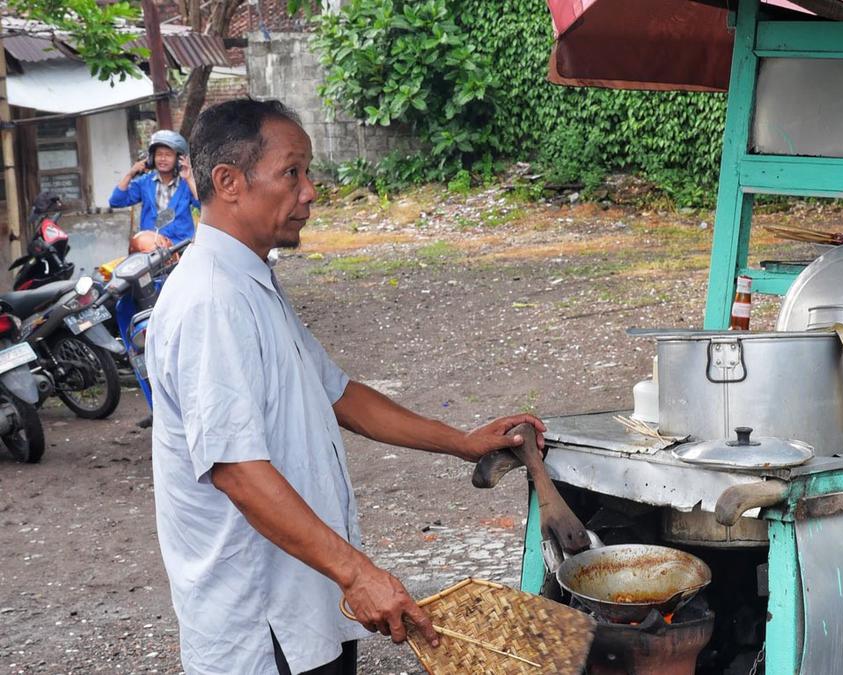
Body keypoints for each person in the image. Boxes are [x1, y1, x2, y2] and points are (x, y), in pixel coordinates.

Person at [145, 98, 546, 674]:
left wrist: (462, 441)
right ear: (228, 182)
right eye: (292, 172)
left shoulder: (251, 279)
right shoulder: (212, 299)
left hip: (304, 599)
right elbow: (236, 469)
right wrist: (358, 573)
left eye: (306, 173)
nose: (309, 191)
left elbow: (340, 395)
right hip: (262, 622)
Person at [110, 129, 200, 244]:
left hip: (181, 248)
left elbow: (203, 206)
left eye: (168, 155)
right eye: (159, 155)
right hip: (151, 250)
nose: (163, 159)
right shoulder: (144, 183)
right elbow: (116, 201)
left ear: (178, 159)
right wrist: (130, 174)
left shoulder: (186, 184)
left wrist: (189, 179)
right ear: (152, 158)